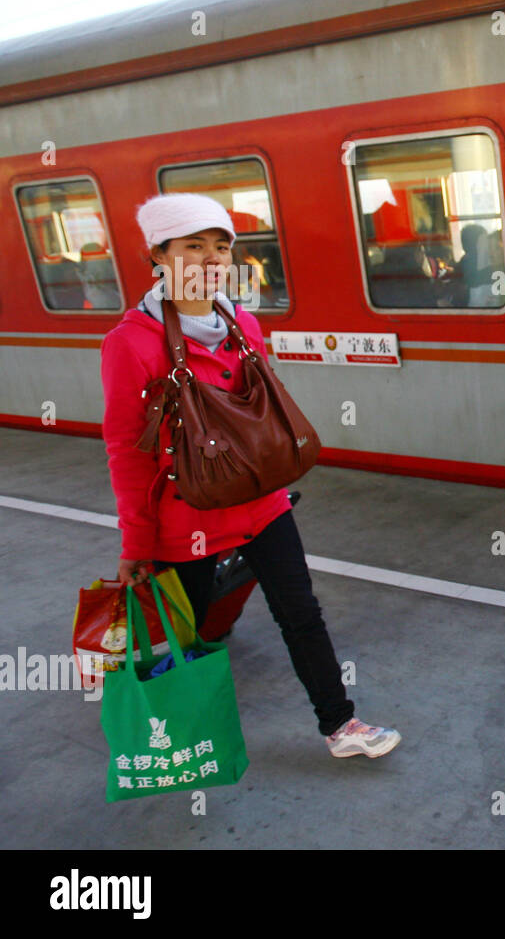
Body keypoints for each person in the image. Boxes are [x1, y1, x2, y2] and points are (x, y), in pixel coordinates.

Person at [100, 192, 400, 759]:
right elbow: (125, 447)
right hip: (184, 516)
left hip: (263, 504)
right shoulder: (130, 344)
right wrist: (136, 541)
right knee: (183, 637)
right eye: (194, 246)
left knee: (301, 614)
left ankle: (341, 725)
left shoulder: (243, 325)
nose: (212, 259)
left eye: (221, 247)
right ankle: (178, 741)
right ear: (157, 255)